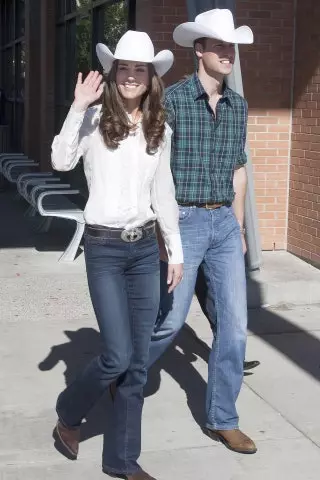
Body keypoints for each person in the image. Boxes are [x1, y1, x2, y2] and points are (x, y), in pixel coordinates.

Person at [51, 30, 183, 480]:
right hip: (105, 249)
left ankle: (122, 461)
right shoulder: (91, 121)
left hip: (145, 249)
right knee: (117, 355)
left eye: (138, 70)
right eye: (122, 68)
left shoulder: (159, 128)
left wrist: (176, 251)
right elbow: (59, 161)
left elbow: (163, 192)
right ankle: (69, 412)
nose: (130, 76)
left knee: (139, 361)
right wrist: (76, 107)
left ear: (151, 78)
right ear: (113, 74)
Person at [149, 9, 257, 454]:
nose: (228, 53)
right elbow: (154, 170)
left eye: (231, 46)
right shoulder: (172, 101)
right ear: (199, 50)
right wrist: (162, 228)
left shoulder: (239, 106)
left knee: (234, 326)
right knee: (171, 320)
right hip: (185, 221)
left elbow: (238, 169)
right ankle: (122, 372)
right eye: (219, 46)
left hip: (223, 226)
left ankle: (222, 418)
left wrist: (239, 224)